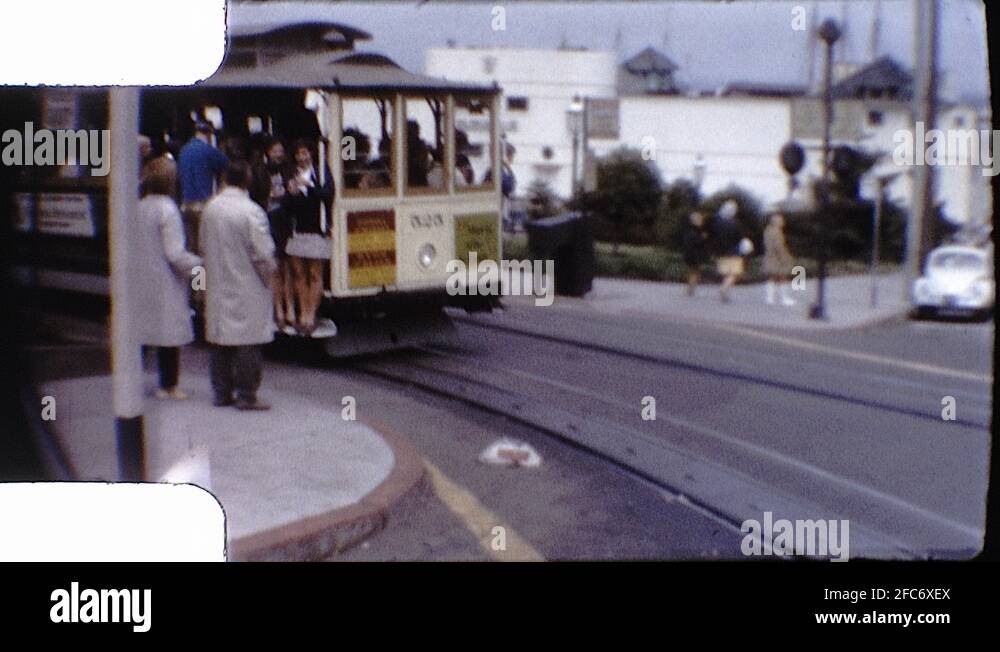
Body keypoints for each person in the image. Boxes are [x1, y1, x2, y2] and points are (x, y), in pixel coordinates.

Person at [199, 160, 277, 411]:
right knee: (248, 341)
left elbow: (201, 245)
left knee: (220, 340)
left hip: (218, 282)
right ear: (247, 181)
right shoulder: (252, 212)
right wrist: (269, 279)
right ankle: (247, 395)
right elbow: (263, 254)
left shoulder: (210, 208)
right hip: (248, 284)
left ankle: (221, 393)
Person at [134, 157, 203, 400]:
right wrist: (198, 266)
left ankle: (130, 382)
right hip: (166, 281)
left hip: (143, 279)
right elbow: (175, 253)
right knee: (168, 336)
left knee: (143, 334)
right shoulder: (168, 209)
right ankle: (169, 385)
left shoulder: (139, 207)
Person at [283, 140, 333, 335]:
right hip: (298, 231)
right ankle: (302, 314)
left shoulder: (321, 172)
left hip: (316, 230)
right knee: (298, 274)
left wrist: (309, 186)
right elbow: (287, 207)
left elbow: (328, 194)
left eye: (305, 153)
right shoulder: (291, 173)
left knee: (315, 273)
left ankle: (311, 315)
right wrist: (290, 194)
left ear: (311, 154)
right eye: (299, 154)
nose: (302, 157)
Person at [251, 138, 295, 329]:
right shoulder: (259, 171)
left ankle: (290, 308)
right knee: (275, 267)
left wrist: (287, 194)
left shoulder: (289, 171)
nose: (279, 154)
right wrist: (268, 196)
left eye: (281, 151)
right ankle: (278, 309)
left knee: (288, 267)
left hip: (285, 221)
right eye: (275, 150)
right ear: (268, 152)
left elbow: (295, 196)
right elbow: (255, 196)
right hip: (268, 221)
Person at [177, 121, 229, 254]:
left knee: (192, 248)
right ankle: (206, 275)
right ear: (209, 134)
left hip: (186, 205)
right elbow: (227, 165)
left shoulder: (183, 151)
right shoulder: (208, 151)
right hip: (203, 205)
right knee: (205, 249)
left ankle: (197, 275)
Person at [711, 199, 747, 303]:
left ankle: (725, 294)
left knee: (726, 273)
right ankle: (724, 288)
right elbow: (739, 238)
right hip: (733, 251)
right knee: (735, 273)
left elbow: (713, 235)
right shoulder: (735, 223)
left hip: (721, 251)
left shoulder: (717, 222)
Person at [762, 212, 796, 306]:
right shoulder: (777, 233)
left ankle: (769, 298)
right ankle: (784, 298)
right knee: (782, 277)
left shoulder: (767, 231)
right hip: (777, 258)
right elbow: (779, 246)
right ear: (776, 222)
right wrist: (785, 257)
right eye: (781, 221)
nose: (783, 222)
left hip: (769, 256)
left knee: (771, 277)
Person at [682, 211, 710, 297]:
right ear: (695, 221)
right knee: (695, 272)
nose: (701, 221)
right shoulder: (694, 231)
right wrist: (703, 238)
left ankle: (690, 289)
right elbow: (697, 242)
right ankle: (690, 290)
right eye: (699, 220)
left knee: (693, 272)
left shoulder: (689, 230)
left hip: (690, 254)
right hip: (694, 255)